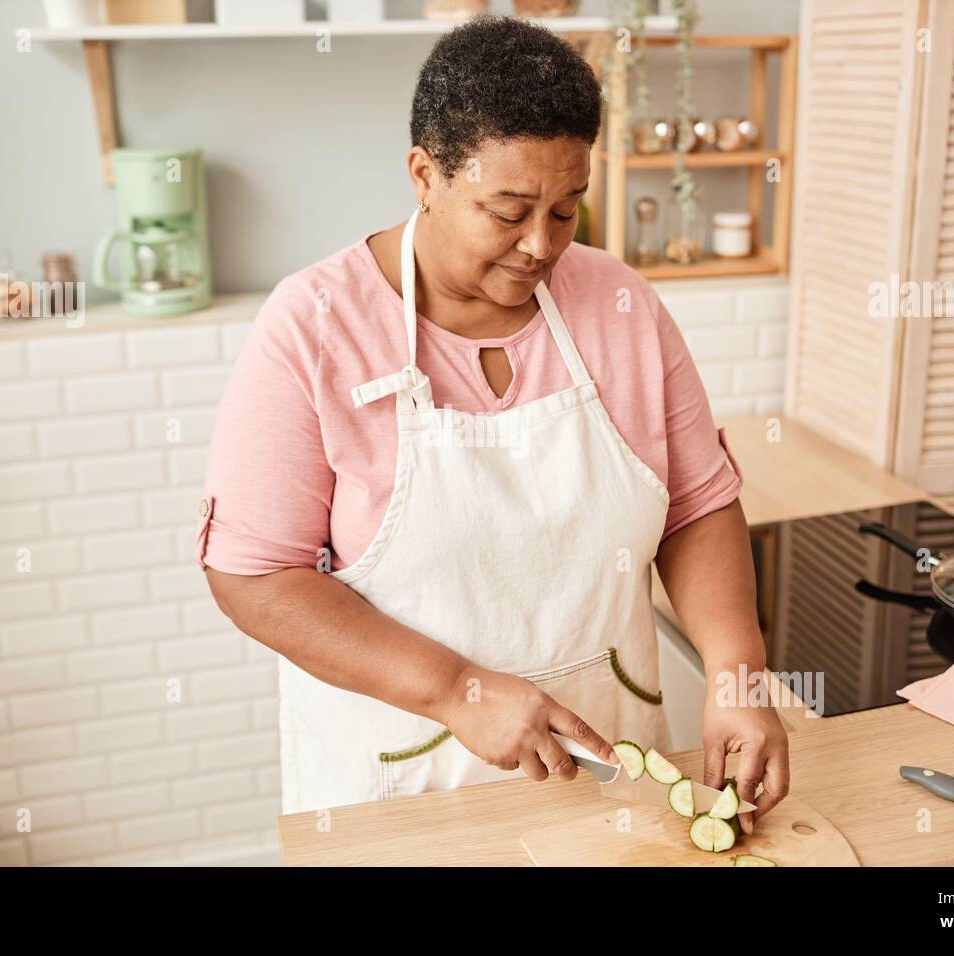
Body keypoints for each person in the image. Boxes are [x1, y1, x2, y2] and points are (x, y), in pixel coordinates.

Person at [199, 15, 788, 831]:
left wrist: (737, 675)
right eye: (507, 211)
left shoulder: (620, 305)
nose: (539, 244)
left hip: (609, 787)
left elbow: (696, 505)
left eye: (566, 208)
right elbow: (255, 577)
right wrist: (453, 689)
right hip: (405, 795)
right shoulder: (314, 326)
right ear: (425, 175)